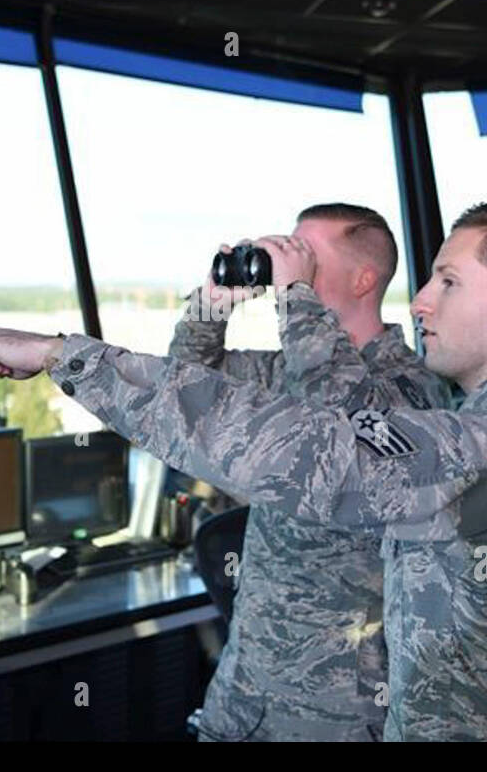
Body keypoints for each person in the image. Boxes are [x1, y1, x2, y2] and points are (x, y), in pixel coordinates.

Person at [0, 203, 487, 741]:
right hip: (261, 683)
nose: (423, 300)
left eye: (449, 282)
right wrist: (212, 306)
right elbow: (208, 398)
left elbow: (319, 446)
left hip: (338, 702)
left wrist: (60, 353)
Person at [170, 203, 453, 741]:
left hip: (336, 704)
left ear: (364, 278)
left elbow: (340, 421)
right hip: (246, 690)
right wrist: (213, 304)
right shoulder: (287, 371)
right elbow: (187, 384)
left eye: (307, 259)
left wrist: (296, 300)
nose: (289, 271)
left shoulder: (413, 390)